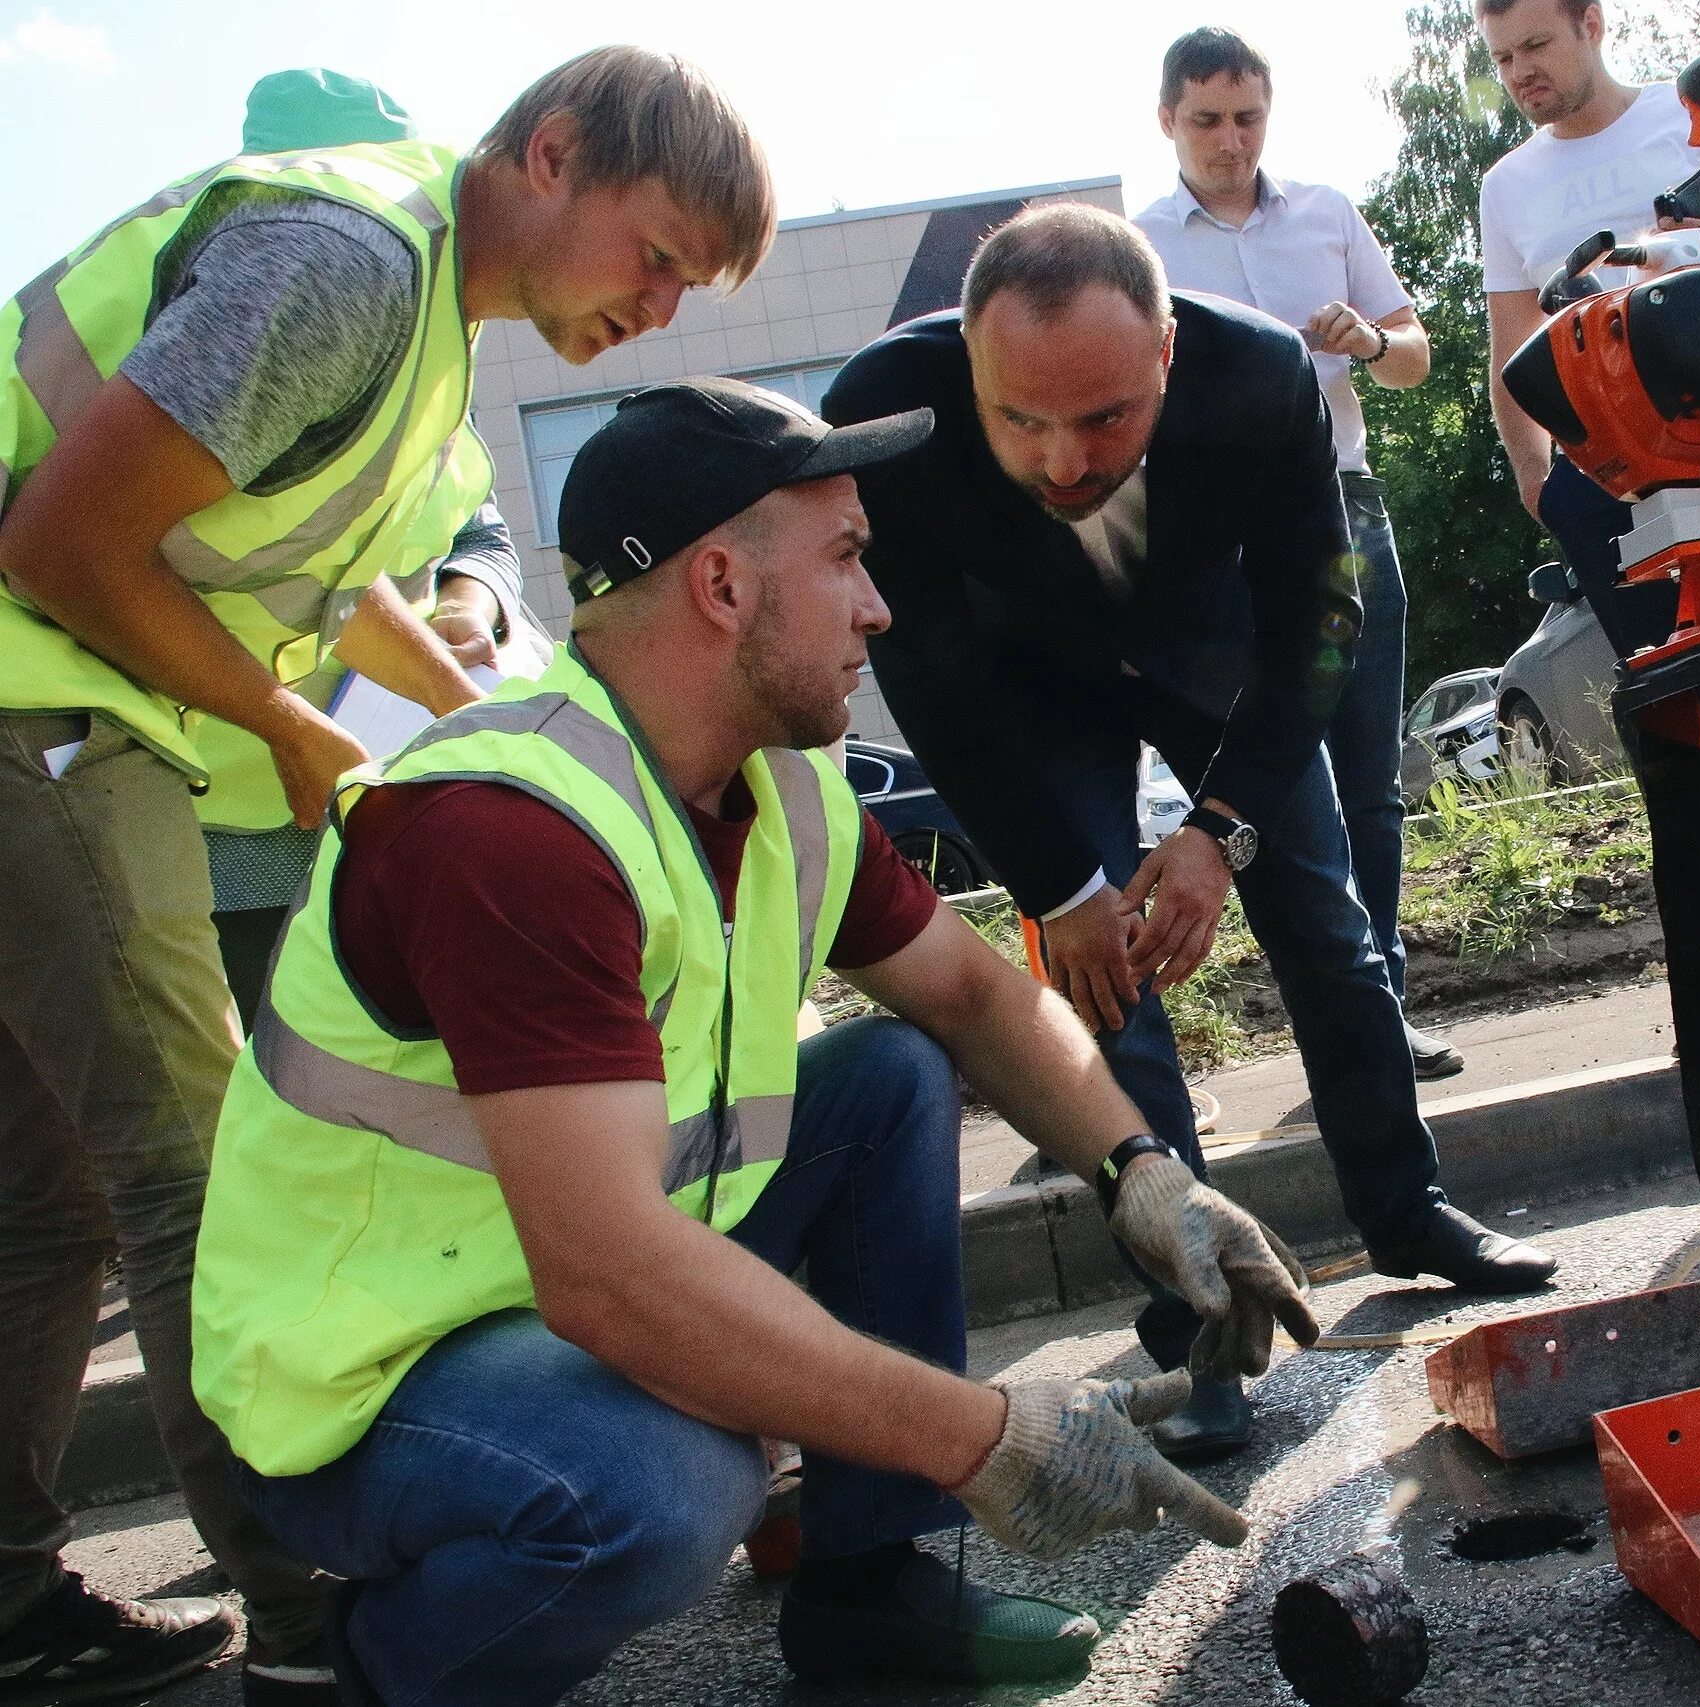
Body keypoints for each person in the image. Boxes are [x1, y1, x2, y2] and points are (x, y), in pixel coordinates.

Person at [190, 377, 1318, 1704]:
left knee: (890, 1074)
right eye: (845, 559)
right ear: (721, 586)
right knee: (662, 1490)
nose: (879, 605)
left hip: (559, 1275)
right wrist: (987, 1438)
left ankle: (870, 1596)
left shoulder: (782, 783)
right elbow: (608, 1277)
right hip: (367, 1380)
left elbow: (972, 998)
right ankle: (363, 1674)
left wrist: (1145, 1175)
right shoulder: (503, 829)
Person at [0, 46, 772, 1704]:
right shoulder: (351, 261)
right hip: (30, 695)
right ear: (553, 156)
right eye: (655, 255)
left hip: (48, 692)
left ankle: (8, 1604)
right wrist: (283, 724)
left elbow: (294, 560)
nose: (659, 307)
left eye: (686, 289)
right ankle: (306, 1622)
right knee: (187, 1169)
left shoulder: (423, 310)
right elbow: (60, 540)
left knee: (44, 1203)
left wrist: (491, 713)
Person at [824, 205, 1559, 1467]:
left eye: (1104, 417)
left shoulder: (1263, 370)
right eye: (1020, 422)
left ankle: (1411, 1210)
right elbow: (934, 679)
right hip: (1025, 687)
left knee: (1330, 934)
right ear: (970, 375)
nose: (1061, 463)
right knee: (1106, 986)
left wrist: (1222, 829)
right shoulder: (885, 405)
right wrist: (1059, 886)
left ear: (1166, 348)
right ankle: (1197, 1321)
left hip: (1213, 654)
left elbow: (1322, 610)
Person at [1133, 27, 1459, 1081]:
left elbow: (1416, 355)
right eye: (1206, 121)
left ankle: (1379, 1018)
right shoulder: (1136, 248)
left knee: (1367, 778)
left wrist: (1367, 340)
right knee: (1260, 781)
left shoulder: (1324, 214)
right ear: (1167, 121)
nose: (1230, 141)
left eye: (1247, 118)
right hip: (1216, 542)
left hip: (1344, 518)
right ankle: (1311, 1011)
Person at [199, 70, 533, 1016]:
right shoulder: (230, 360)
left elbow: (481, 528)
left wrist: (468, 606)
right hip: (230, 807)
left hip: (388, 779)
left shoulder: (430, 384)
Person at [1474, 0, 1700, 638]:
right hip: (1605, 468)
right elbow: (1510, 346)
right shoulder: (1504, 186)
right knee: (1670, 694)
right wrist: (1536, 481)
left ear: (1591, 24)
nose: (1519, 73)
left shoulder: (1696, 112)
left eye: (1535, 46)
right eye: (1503, 58)